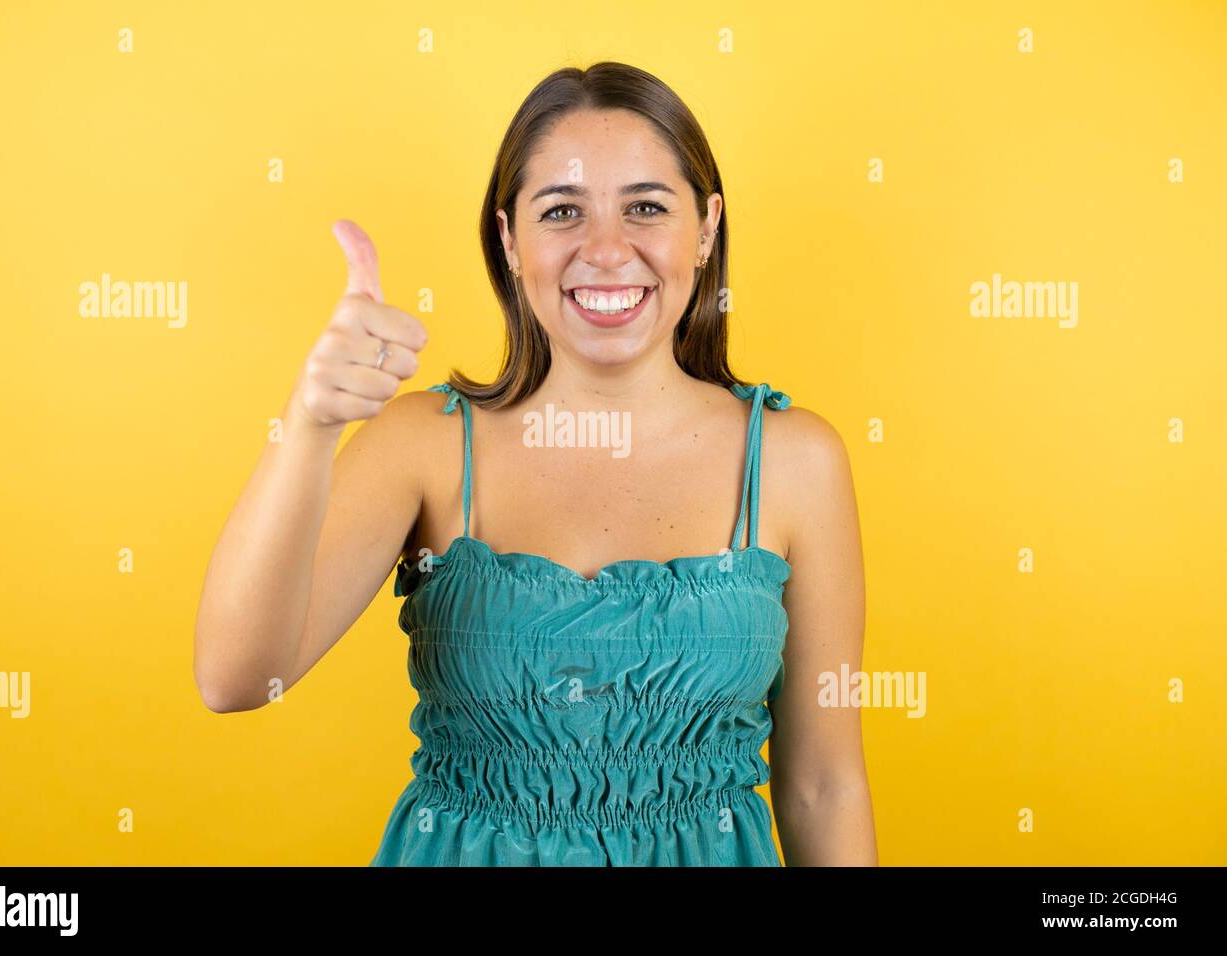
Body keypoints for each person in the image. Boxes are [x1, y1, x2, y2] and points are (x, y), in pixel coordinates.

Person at [194, 61, 875, 866]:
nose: (607, 251)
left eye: (647, 208)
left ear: (706, 226)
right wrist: (309, 424)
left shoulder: (797, 461)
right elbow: (235, 678)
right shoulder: (426, 446)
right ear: (511, 239)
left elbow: (823, 786)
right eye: (562, 212)